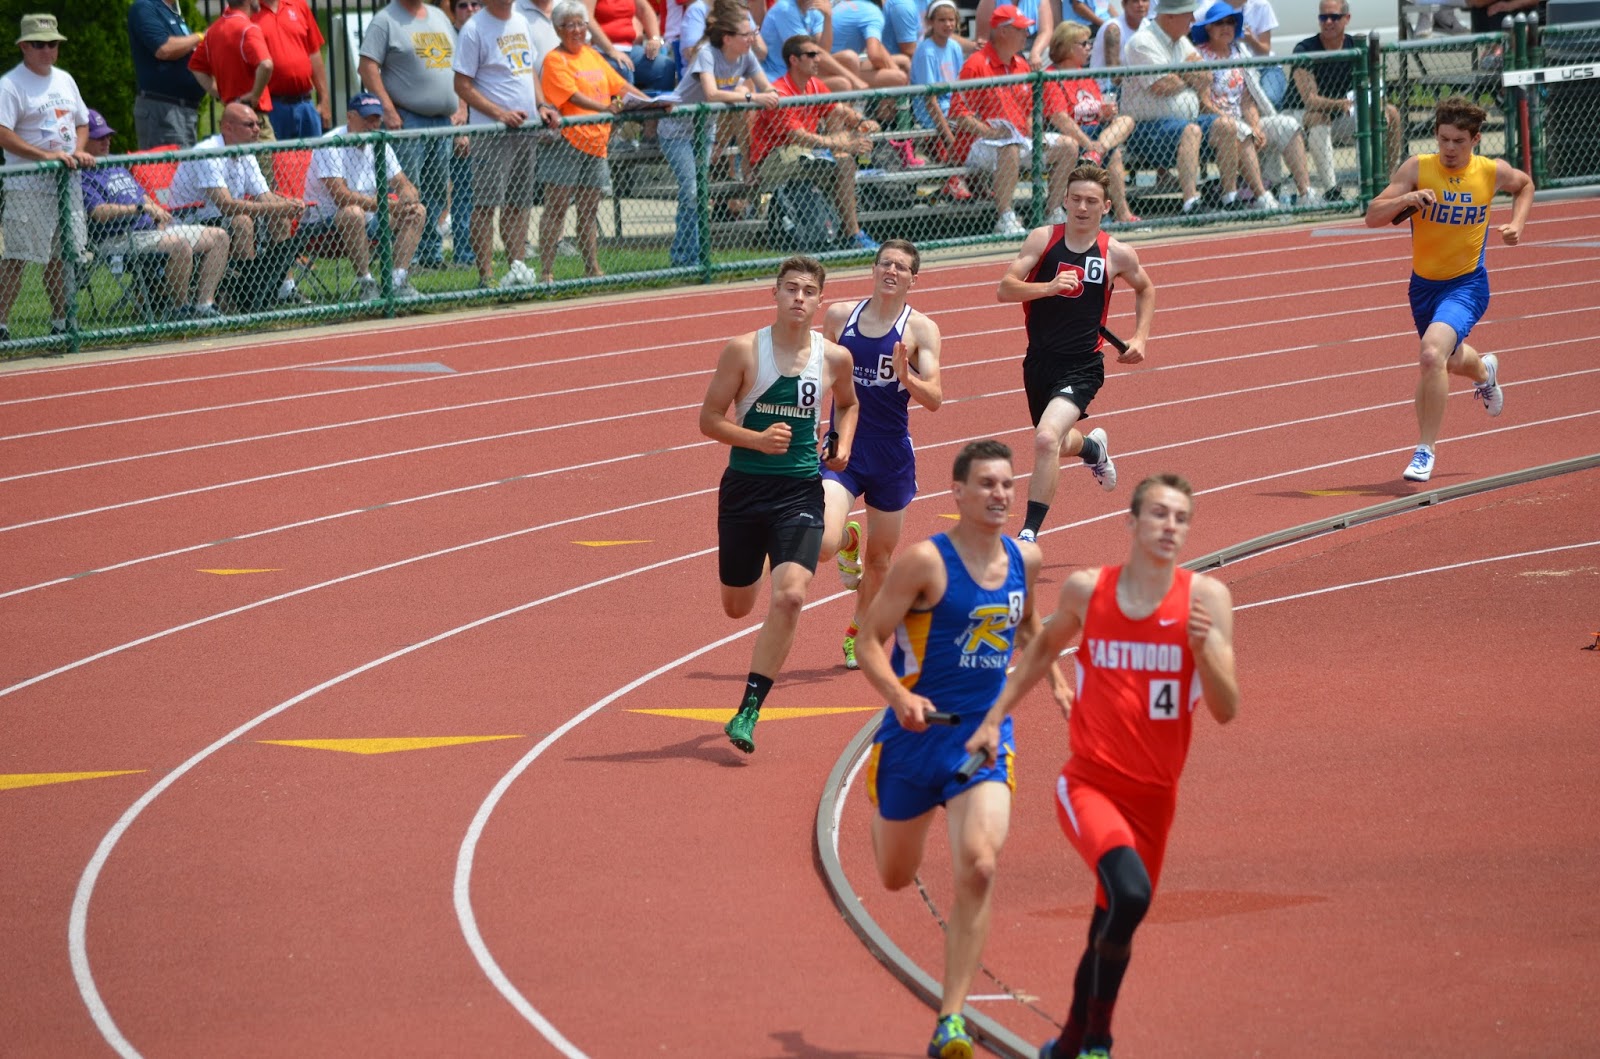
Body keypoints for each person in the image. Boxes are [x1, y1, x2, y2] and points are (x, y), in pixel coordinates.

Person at [966, 471, 1240, 1059]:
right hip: (1090, 783)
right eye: (1159, 514)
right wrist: (994, 717)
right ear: (1133, 521)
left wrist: (1202, 652)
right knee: (1131, 896)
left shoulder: (1207, 601)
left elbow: (1225, 708)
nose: (1170, 527)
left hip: (1156, 797)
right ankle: (1099, 1039)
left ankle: (1068, 1040)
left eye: (1181, 518)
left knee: (1110, 919)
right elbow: (1040, 648)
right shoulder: (1091, 591)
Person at [853, 438, 1068, 1059]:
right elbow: (870, 640)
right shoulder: (925, 562)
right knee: (895, 877)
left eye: (1008, 484)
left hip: (982, 738)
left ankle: (950, 1020)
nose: (1001, 494)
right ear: (959, 493)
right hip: (914, 740)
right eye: (988, 485)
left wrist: (1055, 681)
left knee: (978, 867)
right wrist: (898, 696)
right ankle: (888, 814)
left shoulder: (1023, 560)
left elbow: (1029, 626)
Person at [697, 255, 859, 754]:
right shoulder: (744, 351)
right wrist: (755, 439)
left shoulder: (833, 358)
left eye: (809, 291)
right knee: (737, 607)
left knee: (790, 597)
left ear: (819, 300)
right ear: (775, 293)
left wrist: (842, 442)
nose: (799, 298)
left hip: (800, 491)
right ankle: (843, 538)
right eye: (791, 288)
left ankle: (748, 710)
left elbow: (849, 404)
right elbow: (708, 419)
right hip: (746, 491)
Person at [1364, 95, 1531, 484]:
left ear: (1475, 139)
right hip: (1423, 288)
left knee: (1429, 355)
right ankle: (1485, 372)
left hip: (1467, 284)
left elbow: (1524, 186)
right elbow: (1372, 216)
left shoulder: (1491, 172)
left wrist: (1517, 224)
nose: (1450, 149)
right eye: (1443, 139)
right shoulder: (1418, 168)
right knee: (1448, 361)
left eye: (1458, 141)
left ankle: (1425, 449)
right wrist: (1406, 198)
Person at [996, 164, 1154, 543]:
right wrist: (1048, 287)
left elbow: (1146, 288)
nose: (1083, 207)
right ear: (1065, 200)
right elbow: (1006, 288)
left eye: (1092, 201)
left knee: (1046, 440)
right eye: (1077, 199)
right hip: (1039, 362)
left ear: (1106, 206)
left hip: (1083, 365)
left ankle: (1029, 533)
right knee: (1055, 440)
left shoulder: (1116, 253)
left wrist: (1140, 338)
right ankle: (1092, 447)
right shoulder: (1043, 239)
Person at [814, 238, 943, 671]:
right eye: (885, 263)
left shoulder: (920, 329)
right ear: (873, 269)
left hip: (891, 456)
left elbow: (936, 399)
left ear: (913, 279)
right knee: (823, 546)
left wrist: (906, 376)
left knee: (881, 561)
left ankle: (857, 632)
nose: (891, 271)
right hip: (845, 447)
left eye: (901, 267)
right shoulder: (838, 318)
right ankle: (845, 538)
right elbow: (817, 372)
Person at [537, 0, 656, 283]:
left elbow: (619, 86)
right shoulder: (555, 60)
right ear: (558, 29)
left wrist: (650, 102)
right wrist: (604, 108)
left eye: (581, 24)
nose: (577, 30)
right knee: (556, 208)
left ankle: (592, 267)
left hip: (596, 143)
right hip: (567, 142)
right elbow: (572, 96)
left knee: (589, 210)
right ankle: (546, 272)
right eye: (570, 25)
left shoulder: (592, 54)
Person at [453, 0, 564, 288]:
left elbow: (529, 72)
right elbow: (461, 85)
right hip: (492, 132)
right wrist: (500, 114)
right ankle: (486, 276)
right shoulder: (474, 29)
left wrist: (542, 105)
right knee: (486, 205)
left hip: (525, 129)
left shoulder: (520, 21)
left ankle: (517, 269)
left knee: (519, 204)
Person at [81, 109, 230, 321]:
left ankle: (204, 305)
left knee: (219, 237)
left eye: (108, 136)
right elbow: (98, 213)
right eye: (99, 138)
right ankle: (179, 309)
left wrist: (157, 212)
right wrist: (140, 210)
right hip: (120, 239)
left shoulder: (112, 162)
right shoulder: (82, 173)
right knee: (179, 245)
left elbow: (142, 195)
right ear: (83, 140)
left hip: (152, 231)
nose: (106, 141)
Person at [658, 7, 779, 269]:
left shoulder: (746, 57)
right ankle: (684, 257)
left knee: (697, 192)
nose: (752, 39)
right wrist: (750, 96)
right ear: (727, 37)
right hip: (676, 131)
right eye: (746, 34)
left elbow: (767, 87)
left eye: (753, 33)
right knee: (692, 190)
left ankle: (691, 256)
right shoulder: (707, 54)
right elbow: (711, 93)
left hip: (705, 130)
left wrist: (754, 90)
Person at [0, 13, 92, 341]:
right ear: (24, 46)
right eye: (39, 44)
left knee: (62, 257)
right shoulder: (10, 85)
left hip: (67, 186)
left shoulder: (65, 79)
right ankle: (1, 325)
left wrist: (78, 150)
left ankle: (61, 323)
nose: (47, 50)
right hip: (28, 187)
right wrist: (46, 157)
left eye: (52, 44)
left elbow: (82, 122)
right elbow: (2, 133)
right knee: (18, 257)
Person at [949, 5, 1075, 237]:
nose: (1026, 35)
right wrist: (989, 132)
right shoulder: (976, 64)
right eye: (1021, 30)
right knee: (1010, 148)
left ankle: (1053, 211)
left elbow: (1028, 109)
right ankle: (1005, 216)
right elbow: (959, 113)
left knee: (1068, 146)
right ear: (1003, 32)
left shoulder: (1021, 64)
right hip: (979, 144)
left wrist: (1030, 128)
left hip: (1018, 139)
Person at [169, 103, 309, 313]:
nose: (257, 130)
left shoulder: (245, 151)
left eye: (258, 124)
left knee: (279, 217)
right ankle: (245, 294)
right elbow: (226, 205)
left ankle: (283, 288)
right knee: (242, 221)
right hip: (190, 219)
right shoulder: (208, 153)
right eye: (249, 124)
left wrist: (286, 206)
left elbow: (264, 196)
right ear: (228, 127)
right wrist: (276, 207)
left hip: (222, 218)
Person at [749, 34, 880, 253]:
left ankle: (851, 235)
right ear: (794, 60)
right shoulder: (779, 91)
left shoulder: (814, 84)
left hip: (803, 157)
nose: (818, 59)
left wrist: (862, 122)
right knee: (842, 162)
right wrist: (842, 144)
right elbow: (797, 136)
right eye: (811, 55)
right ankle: (848, 234)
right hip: (774, 161)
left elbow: (837, 108)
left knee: (845, 164)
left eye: (818, 54)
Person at [359, 0, 463, 269]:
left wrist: (460, 106)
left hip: (442, 121)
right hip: (407, 121)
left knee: (438, 189)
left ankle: (431, 254)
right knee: (407, 190)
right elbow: (367, 67)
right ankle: (406, 257)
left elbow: (460, 63)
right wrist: (388, 109)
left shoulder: (439, 16)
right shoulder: (386, 20)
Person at [302, 92, 428, 301]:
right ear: (350, 117)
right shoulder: (331, 142)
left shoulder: (379, 143)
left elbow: (403, 183)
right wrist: (384, 205)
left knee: (417, 211)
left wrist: (407, 196)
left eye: (376, 118)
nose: (372, 124)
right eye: (367, 118)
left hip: (369, 219)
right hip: (323, 225)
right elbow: (341, 197)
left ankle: (397, 282)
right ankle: (366, 284)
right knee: (352, 213)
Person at [1120, 0, 1238, 216]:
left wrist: (1179, 73)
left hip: (1185, 124)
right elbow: (1161, 85)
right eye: (1188, 15)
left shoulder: (1181, 41)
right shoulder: (1142, 42)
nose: (1193, 21)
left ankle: (1230, 197)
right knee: (1191, 131)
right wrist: (1189, 75)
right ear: (1170, 17)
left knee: (1226, 125)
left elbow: (1206, 75)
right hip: (1146, 130)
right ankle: (1191, 202)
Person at [1189, 1, 1310, 209]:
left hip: (1242, 119)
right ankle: (1262, 197)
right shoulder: (1199, 56)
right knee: (1243, 131)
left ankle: (1306, 193)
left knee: (1287, 125)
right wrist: (1239, 124)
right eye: (1220, 23)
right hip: (1215, 124)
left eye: (1230, 22)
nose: (1226, 27)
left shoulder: (1239, 52)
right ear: (1208, 27)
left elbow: (1247, 97)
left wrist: (1254, 124)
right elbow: (1203, 103)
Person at [1282, 0, 1402, 201]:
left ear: (1347, 19)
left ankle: (1387, 182)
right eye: (1323, 17)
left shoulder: (1356, 46)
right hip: (1299, 114)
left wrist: (1379, 108)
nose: (1328, 22)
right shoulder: (1305, 49)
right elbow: (1309, 100)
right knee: (1318, 116)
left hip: (1341, 112)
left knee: (1392, 113)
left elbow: (1376, 85)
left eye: (1334, 17)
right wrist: (1339, 104)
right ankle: (1332, 191)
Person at [1042, 21, 1140, 224]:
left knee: (1126, 120)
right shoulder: (1052, 76)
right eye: (1084, 43)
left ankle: (1098, 154)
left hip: (1097, 137)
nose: (1089, 48)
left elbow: (1094, 108)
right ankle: (1121, 213)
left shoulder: (1085, 75)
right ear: (1068, 46)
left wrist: (1104, 114)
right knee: (1115, 155)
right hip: (1072, 137)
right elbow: (1060, 119)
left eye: (1090, 43)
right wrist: (1088, 144)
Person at [127, 0, 205, 149]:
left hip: (183, 111)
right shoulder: (144, 7)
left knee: (184, 169)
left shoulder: (172, 12)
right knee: (171, 170)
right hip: (163, 110)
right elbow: (164, 48)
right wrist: (201, 36)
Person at [253, 0, 331, 140]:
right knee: (277, 160)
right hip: (272, 107)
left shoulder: (298, 5)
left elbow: (314, 53)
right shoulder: (249, 11)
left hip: (305, 104)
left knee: (314, 160)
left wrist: (324, 100)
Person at [584, 0, 678, 94]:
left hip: (629, 49)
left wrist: (655, 38)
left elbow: (644, 10)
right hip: (600, 50)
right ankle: (625, 106)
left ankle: (658, 105)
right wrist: (611, 51)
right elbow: (587, 17)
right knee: (624, 68)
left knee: (666, 67)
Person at [974, 0, 1054, 69]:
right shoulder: (989, 2)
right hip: (1002, 51)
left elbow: (1046, 31)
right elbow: (983, 40)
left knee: (1050, 55)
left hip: (1034, 49)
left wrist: (1035, 53)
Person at [1090, 0, 1147, 70]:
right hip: (1106, 80)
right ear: (1124, 5)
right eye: (1135, 1)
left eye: (1145, 0)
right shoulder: (1113, 29)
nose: (1141, 5)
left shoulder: (1147, 25)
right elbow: (1113, 73)